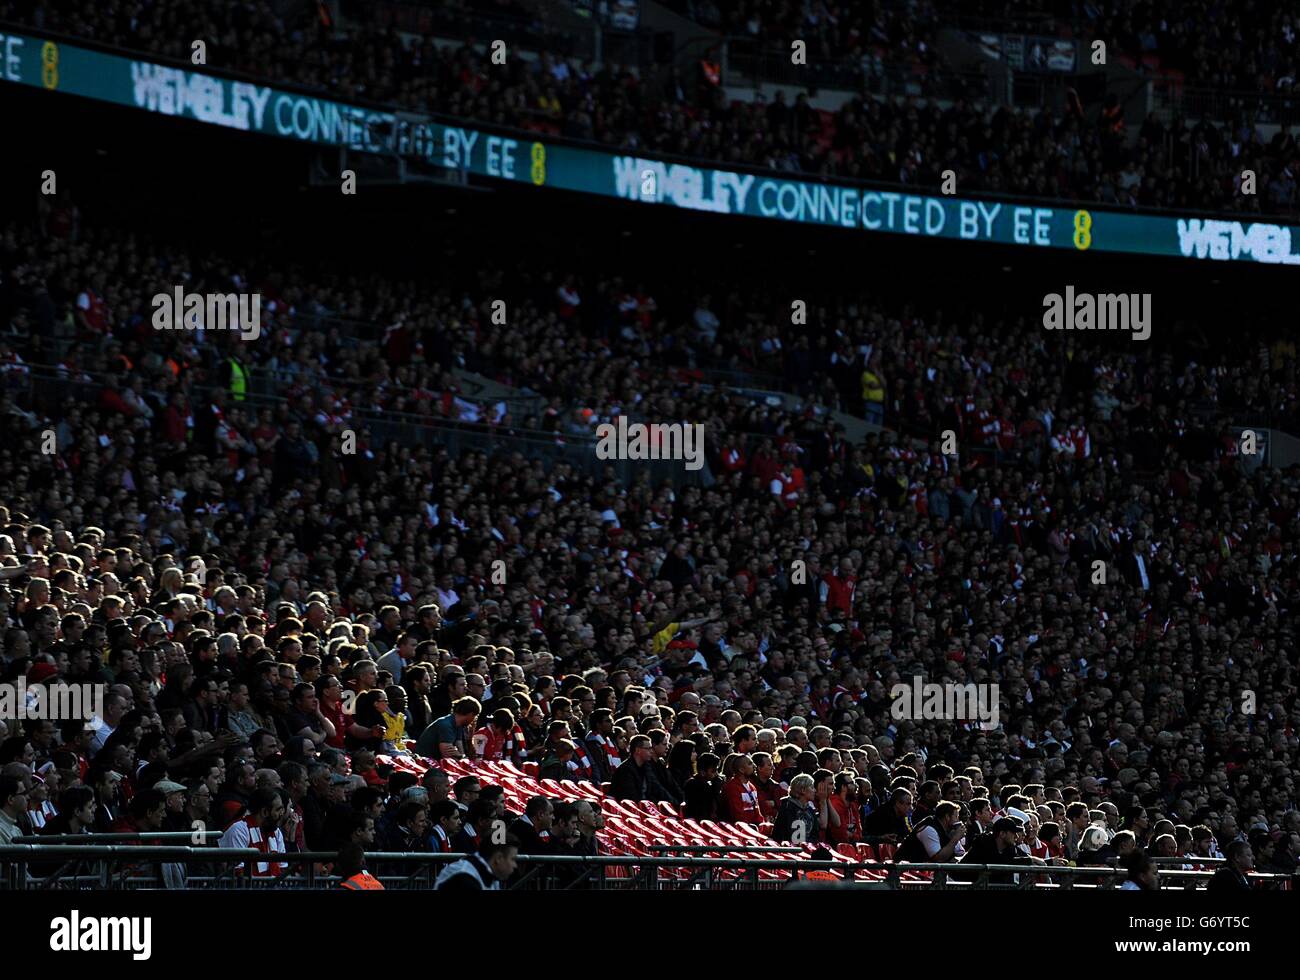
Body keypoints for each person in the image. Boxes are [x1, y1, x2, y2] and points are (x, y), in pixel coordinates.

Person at [218, 786, 288, 878]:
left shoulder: (276, 831)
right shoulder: (239, 830)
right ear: (265, 812)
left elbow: (283, 869)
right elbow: (237, 874)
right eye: (278, 809)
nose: (282, 813)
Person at [434, 837, 519, 891]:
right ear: (498, 858)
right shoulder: (465, 879)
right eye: (513, 859)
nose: (515, 865)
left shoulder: (490, 874)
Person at [895, 800, 965, 863]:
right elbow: (938, 859)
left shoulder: (948, 830)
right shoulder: (929, 829)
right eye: (956, 816)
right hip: (906, 869)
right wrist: (955, 839)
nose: (958, 820)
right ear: (947, 817)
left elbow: (960, 853)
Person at [610, 734, 670, 802]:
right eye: (648, 748)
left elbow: (654, 791)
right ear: (638, 750)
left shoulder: (646, 768)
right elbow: (631, 798)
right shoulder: (625, 771)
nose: (652, 751)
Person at [415, 697, 480, 759]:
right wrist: (460, 756)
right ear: (471, 714)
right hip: (426, 763)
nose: (474, 720)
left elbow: (461, 752)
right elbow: (448, 757)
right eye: (475, 716)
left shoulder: (458, 726)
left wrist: (460, 755)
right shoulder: (445, 725)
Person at [772, 773, 817, 843]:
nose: (815, 790)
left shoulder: (810, 810)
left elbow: (815, 835)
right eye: (812, 787)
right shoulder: (787, 807)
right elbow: (788, 836)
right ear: (803, 790)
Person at [682, 752, 722, 819]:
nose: (716, 774)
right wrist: (716, 786)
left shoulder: (706, 783)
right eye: (713, 771)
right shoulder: (695, 784)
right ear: (703, 772)